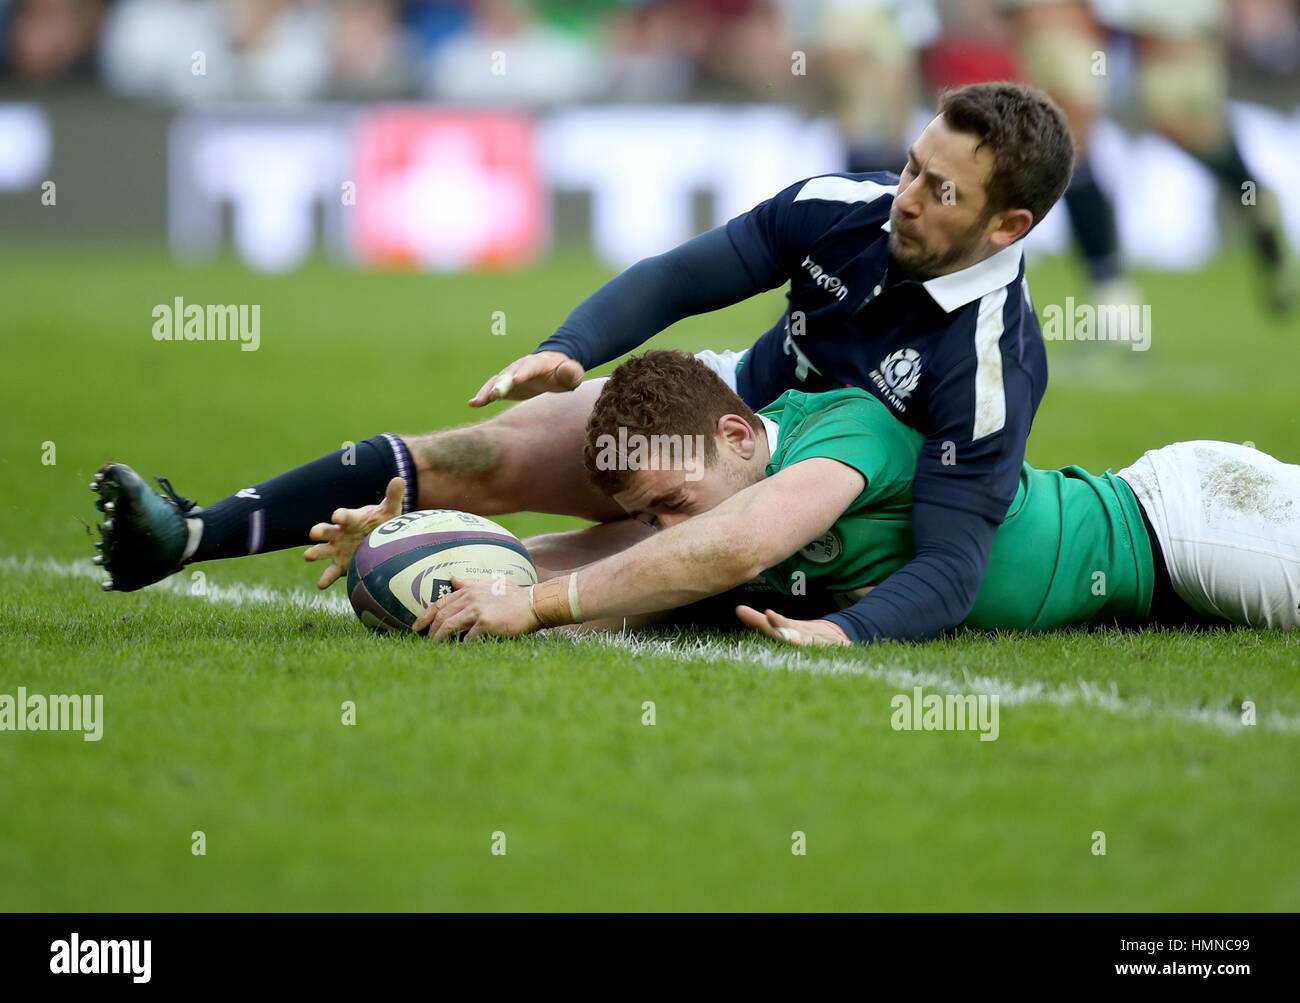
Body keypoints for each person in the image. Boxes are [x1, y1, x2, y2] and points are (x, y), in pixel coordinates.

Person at [92, 81, 1075, 644]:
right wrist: (568, 349)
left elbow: (950, 564)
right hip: (744, 407)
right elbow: (686, 275)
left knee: (644, 558)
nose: (901, 195)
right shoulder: (842, 205)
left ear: (1008, 225)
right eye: (909, 164)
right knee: (494, 453)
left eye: (936, 189)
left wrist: (846, 633)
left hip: (818, 498)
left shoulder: (990, 371)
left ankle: (440, 558)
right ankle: (181, 537)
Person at [413, 350, 1300, 643]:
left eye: (675, 501)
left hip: (1187, 529)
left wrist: (532, 607)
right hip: (1161, 571)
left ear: (733, 436)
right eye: (653, 516)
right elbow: (638, 561)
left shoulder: (844, 428)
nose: (667, 530)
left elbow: (727, 550)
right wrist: (429, 558)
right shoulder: (728, 483)